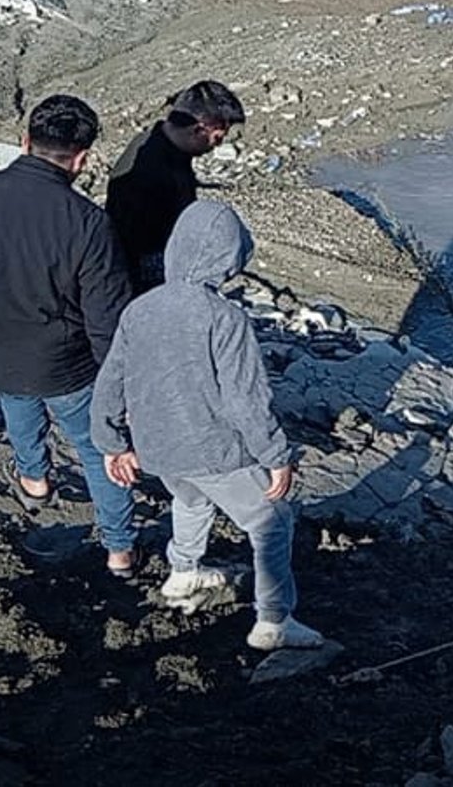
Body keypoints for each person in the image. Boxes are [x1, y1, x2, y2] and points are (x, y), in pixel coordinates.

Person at [0, 94, 138, 577]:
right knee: (98, 448)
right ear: (82, 158)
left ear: (25, 142)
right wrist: (120, 388)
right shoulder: (88, 223)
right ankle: (119, 549)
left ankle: (34, 479)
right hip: (63, 364)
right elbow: (106, 319)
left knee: (16, 400)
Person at [90, 200, 324, 651]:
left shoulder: (140, 309)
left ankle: (183, 573)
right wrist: (276, 455)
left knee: (192, 499)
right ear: (230, 258)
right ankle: (274, 622)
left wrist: (111, 443)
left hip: (157, 448)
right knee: (272, 522)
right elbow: (245, 398)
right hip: (213, 449)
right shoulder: (224, 317)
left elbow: (111, 381)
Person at [106, 81, 247, 293]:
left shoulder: (163, 148)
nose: (215, 146)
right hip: (145, 281)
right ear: (198, 129)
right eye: (217, 139)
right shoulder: (150, 171)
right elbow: (136, 245)